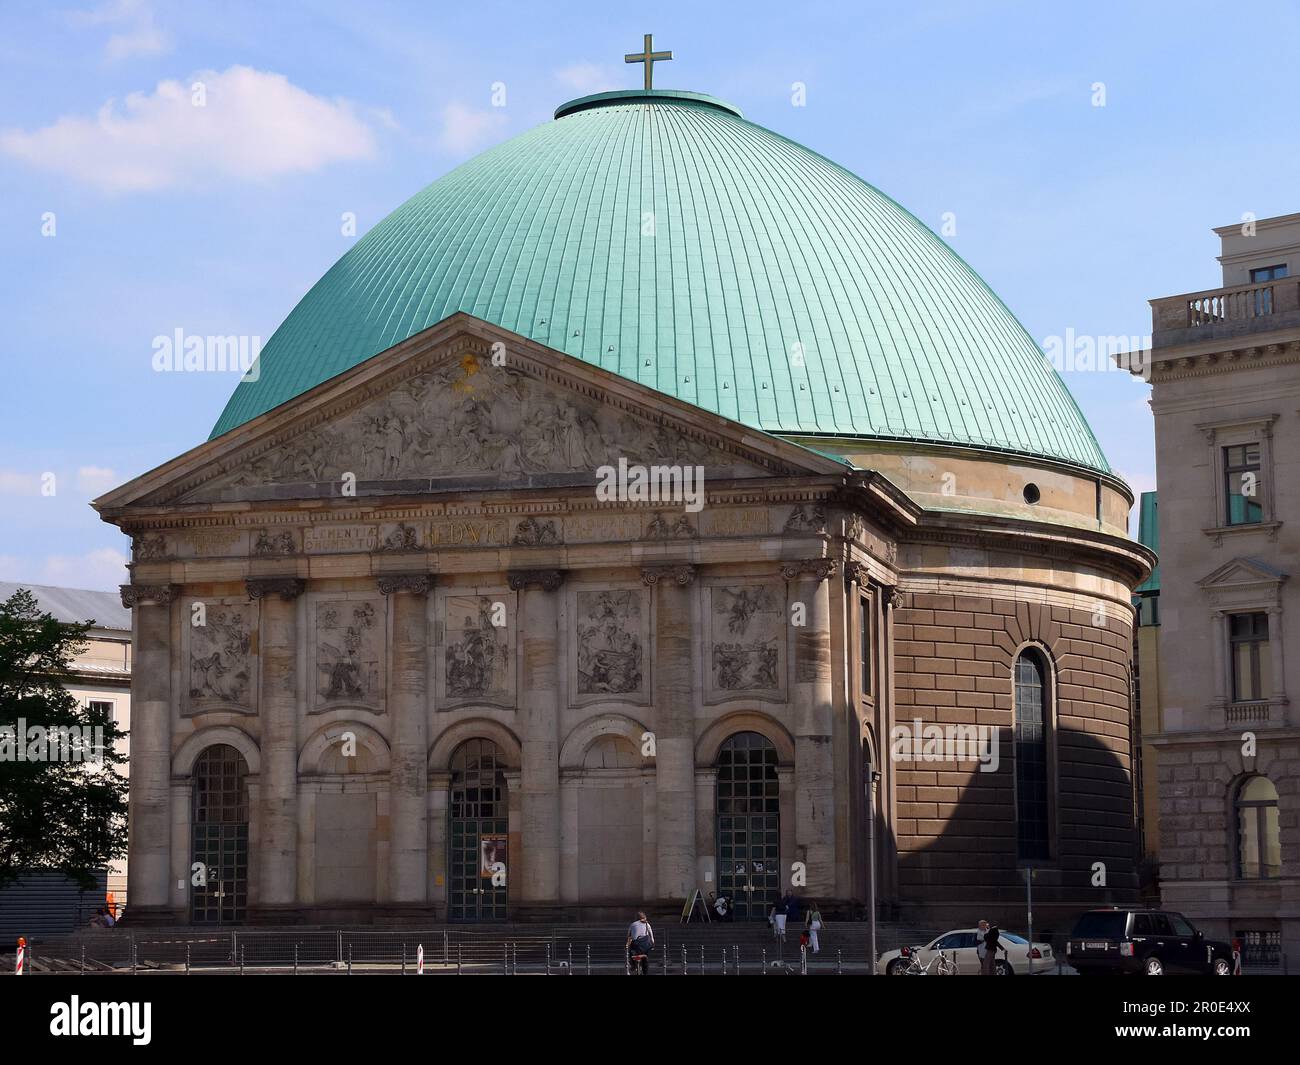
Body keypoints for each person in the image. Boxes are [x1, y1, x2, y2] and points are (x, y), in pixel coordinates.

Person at [626, 910, 654, 975]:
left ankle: (633, 965)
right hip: (645, 946)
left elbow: (629, 937)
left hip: (636, 946)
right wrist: (652, 946)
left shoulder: (632, 925)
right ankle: (645, 973)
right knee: (645, 959)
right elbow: (652, 938)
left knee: (630, 952)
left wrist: (627, 945)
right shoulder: (647, 924)